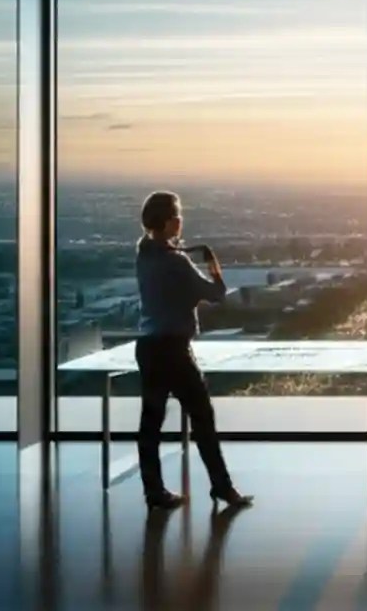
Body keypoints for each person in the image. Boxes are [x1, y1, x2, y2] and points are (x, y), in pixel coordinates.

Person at [135, 191, 253, 509]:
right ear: (170, 221)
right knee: (202, 418)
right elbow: (217, 294)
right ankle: (222, 487)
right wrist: (214, 266)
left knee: (151, 422)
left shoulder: (144, 253)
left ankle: (154, 491)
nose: (181, 220)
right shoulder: (177, 261)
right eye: (178, 215)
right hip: (173, 349)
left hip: (147, 347)